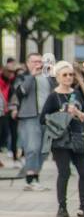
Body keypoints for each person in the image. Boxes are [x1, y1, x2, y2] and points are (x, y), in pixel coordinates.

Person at [41, 61, 84, 217]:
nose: (68, 77)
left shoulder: (76, 93)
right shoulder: (54, 96)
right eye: (65, 75)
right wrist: (63, 111)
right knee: (64, 172)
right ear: (58, 77)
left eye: (71, 74)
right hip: (60, 140)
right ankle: (62, 207)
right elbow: (43, 118)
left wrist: (80, 115)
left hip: (77, 136)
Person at [9, 52, 52, 190]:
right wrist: (31, 76)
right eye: (34, 61)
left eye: (40, 61)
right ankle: (30, 178)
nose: (37, 64)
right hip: (30, 116)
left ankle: (36, 176)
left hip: (47, 117)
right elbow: (20, 92)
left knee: (44, 150)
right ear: (28, 63)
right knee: (32, 148)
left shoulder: (47, 77)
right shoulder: (22, 77)